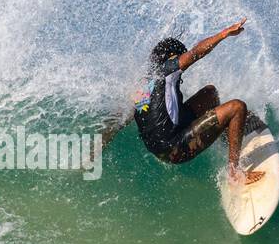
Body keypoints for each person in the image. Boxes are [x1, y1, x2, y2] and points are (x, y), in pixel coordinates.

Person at [109, 19, 267, 183]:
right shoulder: (168, 69)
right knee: (237, 107)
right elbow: (196, 52)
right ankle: (234, 173)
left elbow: (122, 118)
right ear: (172, 57)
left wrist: (99, 144)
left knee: (210, 93)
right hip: (174, 148)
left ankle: (225, 132)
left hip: (161, 145)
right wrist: (224, 34)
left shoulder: (142, 85)